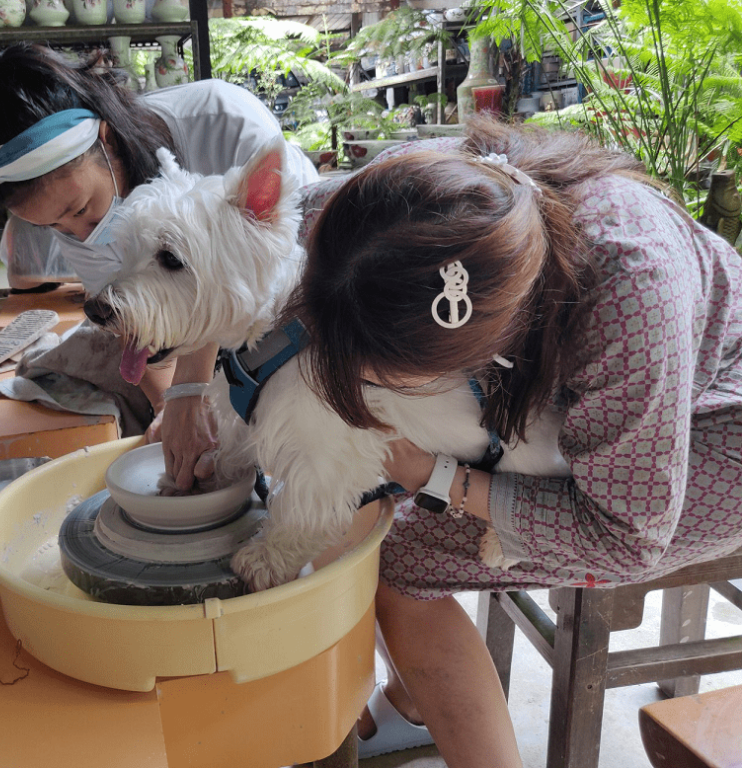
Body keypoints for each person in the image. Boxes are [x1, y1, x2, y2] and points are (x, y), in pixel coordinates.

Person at [285, 117, 742, 766]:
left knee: (398, 556)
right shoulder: (400, 202)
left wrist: (437, 479)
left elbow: (626, 538)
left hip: (717, 428)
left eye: (386, 376)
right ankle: (419, 699)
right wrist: (191, 395)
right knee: (366, 521)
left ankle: (447, 716)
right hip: (647, 385)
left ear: (478, 343)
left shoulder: (628, 297)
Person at [0, 43, 318, 488]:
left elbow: (266, 275)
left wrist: (191, 388)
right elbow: (135, 322)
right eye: (54, 226)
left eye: (80, 210)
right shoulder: (74, 219)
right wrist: (170, 406)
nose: (79, 235)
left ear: (107, 141)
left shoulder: (226, 125)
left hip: (293, 307)